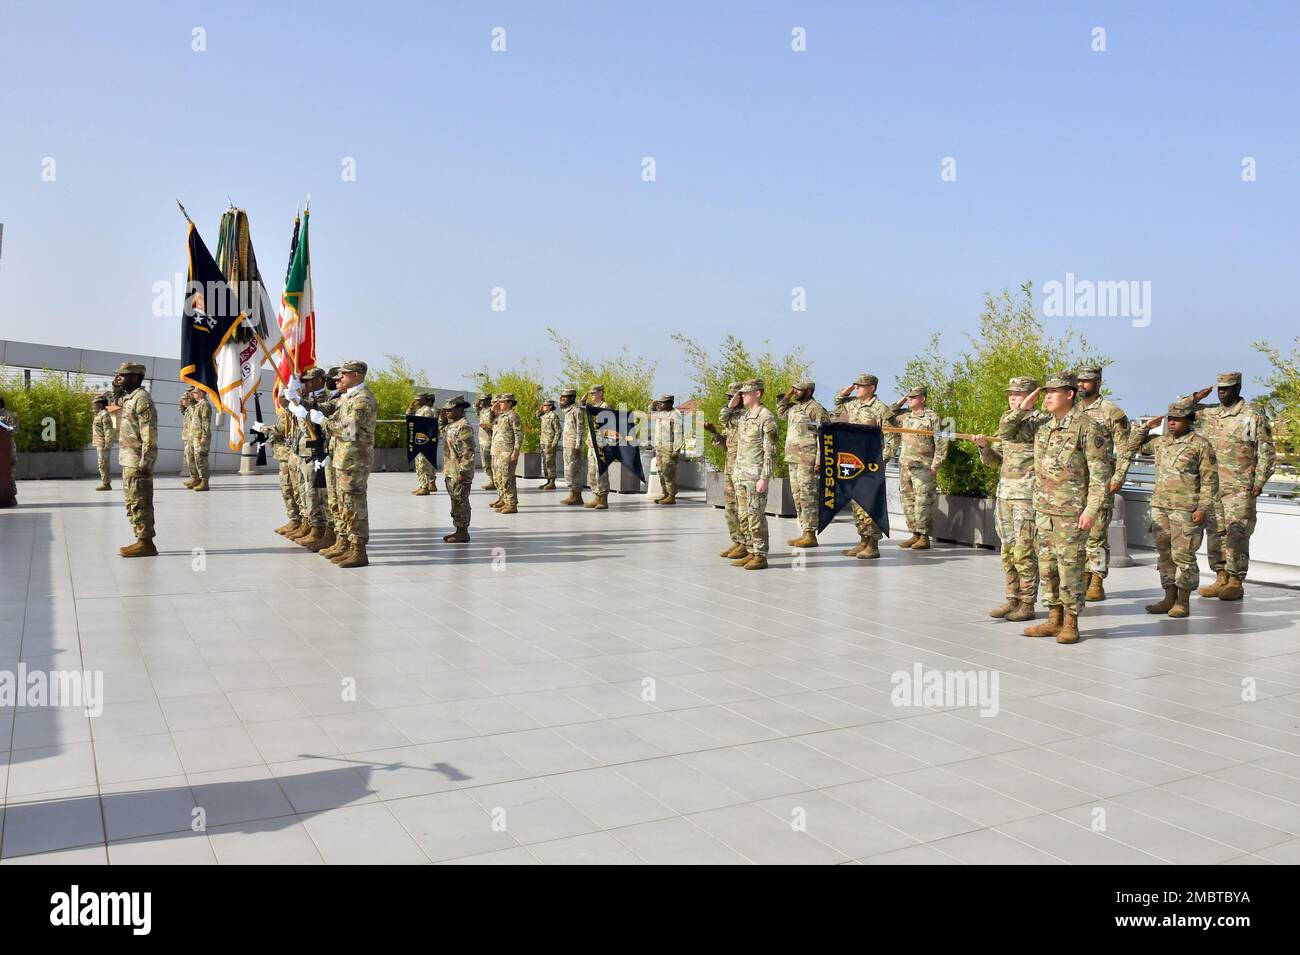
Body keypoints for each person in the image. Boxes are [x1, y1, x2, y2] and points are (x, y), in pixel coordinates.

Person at [1001, 373, 1112, 644]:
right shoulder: (1041, 424)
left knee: (1070, 568)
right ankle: (1053, 620)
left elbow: (1101, 476)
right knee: (1047, 567)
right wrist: (1024, 407)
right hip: (1043, 510)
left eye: (1054, 392)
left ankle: (1071, 623)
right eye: (1046, 392)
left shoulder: (1088, 427)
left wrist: (1090, 510)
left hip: (1071, 512)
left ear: (1070, 394)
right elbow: (1006, 431)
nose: (1048, 396)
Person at [1188, 372, 1277, 602]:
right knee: (1215, 532)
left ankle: (1236, 580)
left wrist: (1259, 481)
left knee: (1236, 533)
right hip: (1213, 486)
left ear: (1238, 388)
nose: (1221, 392)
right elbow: (1177, 410)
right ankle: (1221, 576)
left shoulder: (1251, 415)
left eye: (1226, 388)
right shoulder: (1209, 414)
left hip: (1240, 486)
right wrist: (1197, 396)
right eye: (1219, 388)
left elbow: (1266, 451)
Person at [1126, 400, 1218, 618]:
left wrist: (1203, 507)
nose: (1173, 423)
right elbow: (1132, 446)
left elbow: (1210, 480)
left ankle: (1183, 602)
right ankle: (1168, 598)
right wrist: (1146, 427)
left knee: (1183, 556)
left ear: (1189, 421)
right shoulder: (1161, 442)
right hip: (1161, 506)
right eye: (1170, 419)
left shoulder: (1200, 445)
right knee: (1165, 555)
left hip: (1186, 509)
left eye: (1178, 419)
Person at [976, 377, 1045, 622]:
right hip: (1005, 494)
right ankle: (1012, 598)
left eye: (1018, 394)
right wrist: (984, 448)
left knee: (1024, 551)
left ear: (1030, 397)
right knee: (1007, 550)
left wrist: (1024, 410)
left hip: (1027, 496)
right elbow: (995, 462)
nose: (1012, 398)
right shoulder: (1008, 421)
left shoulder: (1040, 422)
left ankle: (1027, 602)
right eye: (1011, 394)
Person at [1075, 365, 1133, 601]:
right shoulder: (1073, 410)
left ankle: (1097, 579)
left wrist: (1118, 477)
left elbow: (1126, 448)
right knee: (1079, 535)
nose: (1081, 385)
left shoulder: (1111, 412)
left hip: (1100, 482)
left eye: (1086, 381)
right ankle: (1083, 577)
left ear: (1098, 383)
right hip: (1076, 484)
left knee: (1097, 534)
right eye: (1079, 381)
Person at [833, 374, 899, 560]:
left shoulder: (881, 409)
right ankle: (863, 539)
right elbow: (836, 409)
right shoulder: (852, 404)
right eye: (855, 385)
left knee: (869, 503)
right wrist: (842, 394)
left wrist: (882, 460)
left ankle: (873, 544)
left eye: (861, 385)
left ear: (872, 388)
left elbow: (893, 438)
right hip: (852, 461)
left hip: (870, 464)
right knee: (857, 503)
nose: (857, 388)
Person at [321, 360, 377, 568]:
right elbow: (335, 418)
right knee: (343, 503)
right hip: (343, 458)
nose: (340, 378)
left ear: (356, 375)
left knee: (354, 504)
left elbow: (347, 430)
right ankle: (344, 542)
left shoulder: (363, 399)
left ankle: (358, 550)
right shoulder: (347, 398)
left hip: (355, 460)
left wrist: (322, 422)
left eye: (344, 374)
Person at [884, 385, 949, 550]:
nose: (909, 399)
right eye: (908, 397)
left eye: (913, 397)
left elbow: (942, 442)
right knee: (908, 501)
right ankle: (914, 534)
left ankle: (924, 536)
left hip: (924, 467)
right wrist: (899, 403)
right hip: (905, 465)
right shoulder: (905, 416)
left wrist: (936, 465)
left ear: (923, 399)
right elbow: (886, 416)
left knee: (922, 502)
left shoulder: (932, 417)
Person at [728, 379, 777, 570]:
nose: (742, 396)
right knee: (744, 516)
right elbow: (725, 420)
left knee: (756, 516)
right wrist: (730, 405)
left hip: (755, 475)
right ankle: (750, 551)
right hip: (740, 474)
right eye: (741, 393)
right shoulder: (744, 416)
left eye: (746, 393)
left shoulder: (766, 418)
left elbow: (770, 451)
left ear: (758, 393)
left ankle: (760, 555)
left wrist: (764, 477)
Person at [111, 362, 158, 557]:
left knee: (140, 501)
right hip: (128, 458)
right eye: (118, 375)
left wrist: (146, 462)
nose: (119, 378)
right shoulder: (129, 398)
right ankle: (140, 538)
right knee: (132, 500)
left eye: (123, 375)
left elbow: (149, 434)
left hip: (138, 459)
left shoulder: (142, 399)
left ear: (136, 377)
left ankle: (146, 542)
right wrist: (115, 387)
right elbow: (115, 403)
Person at [776, 381, 830, 544]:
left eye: (799, 389)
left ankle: (810, 533)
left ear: (809, 391)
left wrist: (820, 460)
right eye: (794, 389)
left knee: (808, 496)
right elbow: (781, 413)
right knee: (798, 495)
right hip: (793, 459)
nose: (795, 391)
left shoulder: (816, 409)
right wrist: (787, 396)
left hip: (808, 460)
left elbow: (824, 435)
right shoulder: (794, 408)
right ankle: (804, 530)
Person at [285, 367, 331, 549]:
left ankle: (319, 528)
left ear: (320, 380)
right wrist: (290, 396)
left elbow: (319, 417)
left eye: (310, 380)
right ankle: (308, 523)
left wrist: (298, 400)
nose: (306, 384)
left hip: (315, 452)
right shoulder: (311, 398)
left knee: (314, 493)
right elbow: (286, 405)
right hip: (302, 451)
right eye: (304, 381)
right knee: (304, 491)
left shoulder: (324, 399)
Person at [708, 381, 745, 556]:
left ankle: (747, 544)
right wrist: (714, 433)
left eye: (733, 397)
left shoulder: (747, 416)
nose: (729, 400)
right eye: (728, 397)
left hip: (744, 470)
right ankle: (737, 541)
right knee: (730, 508)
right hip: (730, 468)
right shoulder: (732, 418)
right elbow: (725, 444)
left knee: (744, 509)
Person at [441, 396, 475, 542]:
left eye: (450, 409)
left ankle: (463, 531)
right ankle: (458, 529)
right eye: (446, 410)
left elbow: (468, 451)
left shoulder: (464, 426)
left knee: (461, 500)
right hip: (450, 469)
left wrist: (464, 472)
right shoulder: (450, 425)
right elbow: (439, 430)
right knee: (455, 500)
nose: (447, 412)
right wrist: (442, 417)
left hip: (460, 471)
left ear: (460, 409)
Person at [490, 393, 523, 513]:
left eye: (503, 402)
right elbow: (490, 422)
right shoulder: (500, 416)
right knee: (497, 477)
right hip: (496, 452)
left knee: (507, 478)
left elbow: (518, 434)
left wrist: (516, 451)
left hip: (506, 452)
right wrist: (493, 410)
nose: (500, 404)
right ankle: (504, 499)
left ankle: (512, 504)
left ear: (510, 403)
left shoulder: (513, 416)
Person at [651, 394, 685, 505]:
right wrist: (652, 405)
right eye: (660, 402)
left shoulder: (675, 415)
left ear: (670, 403)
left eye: (662, 402)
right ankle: (665, 493)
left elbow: (678, 433)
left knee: (669, 472)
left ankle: (671, 495)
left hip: (668, 449)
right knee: (661, 472)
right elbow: (650, 413)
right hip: (659, 448)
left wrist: (676, 449)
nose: (660, 404)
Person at [584, 384, 612, 510]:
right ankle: (596, 496)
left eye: (594, 393)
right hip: (591, 444)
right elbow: (580, 405)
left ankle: (603, 499)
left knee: (601, 472)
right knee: (592, 472)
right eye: (591, 393)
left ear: (601, 393)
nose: (592, 396)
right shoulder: (593, 407)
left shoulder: (605, 407)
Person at [559, 389, 587, 505]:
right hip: (567, 445)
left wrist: (578, 446)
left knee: (575, 471)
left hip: (574, 446)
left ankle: (578, 496)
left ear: (571, 398)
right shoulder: (568, 410)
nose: (561, 400)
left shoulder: (577, 410)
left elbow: (580, 429)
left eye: (564, 398)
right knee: (568, 471)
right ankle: (572, 493)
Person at [409, 391, 439, 496]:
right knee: (422, 464)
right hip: (420, 439)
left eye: (419, 399)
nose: (416, 401)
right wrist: (411, 408)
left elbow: (429, 426)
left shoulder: (427, 410)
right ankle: (424, 485)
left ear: (425, 400)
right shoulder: (419, 410)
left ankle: (425, 487)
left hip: (424, 441)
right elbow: (408, 417)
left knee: (423, 464)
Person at [187, 387, 212, 492]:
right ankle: (195, 479)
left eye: (195, 393)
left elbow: (206, 421)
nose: (193, 394)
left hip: (200, 437)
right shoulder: (197, 405)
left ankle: (204, 481)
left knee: (200, 458)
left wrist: (204, 436)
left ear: (201, 393)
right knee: (191, 457)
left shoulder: (205, 405)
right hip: (193, 436)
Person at [92, 393, 115, 491]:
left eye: (95, 403)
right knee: (101, 463)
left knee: (103, 463)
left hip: (103, 443)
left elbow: (108, 430)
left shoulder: (104, 414)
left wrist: (107, 444)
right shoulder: (99, 414)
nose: (93, 405)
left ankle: (106, 484)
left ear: (100, 404)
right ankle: (105, 482)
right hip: (99, 442)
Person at [538, 398, 561, 490]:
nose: (543, 407)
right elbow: (537, 416)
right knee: (545, 462)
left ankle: (552, 482)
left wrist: (554, 442)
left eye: (545, 405)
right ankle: (548, 480)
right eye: (543, 405)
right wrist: (539, 410)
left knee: (550, 462)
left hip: (549, 443)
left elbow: (558, 431)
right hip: (543, 442)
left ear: (550, 406)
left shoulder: (553, 416)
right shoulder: (545, 416)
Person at [475, 395, 496, 491]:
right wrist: (478, 401)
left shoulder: (493, 410)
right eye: (480, 400)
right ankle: (491, 479)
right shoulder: (482, 410)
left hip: (490, 440)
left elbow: (498, 425)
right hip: (482, 440)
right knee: (485, 463)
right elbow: (475, 407)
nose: (481, 402)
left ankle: (494, 481)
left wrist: (487, 425)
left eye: (483, 400)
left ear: (488, 400)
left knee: (492, 463)